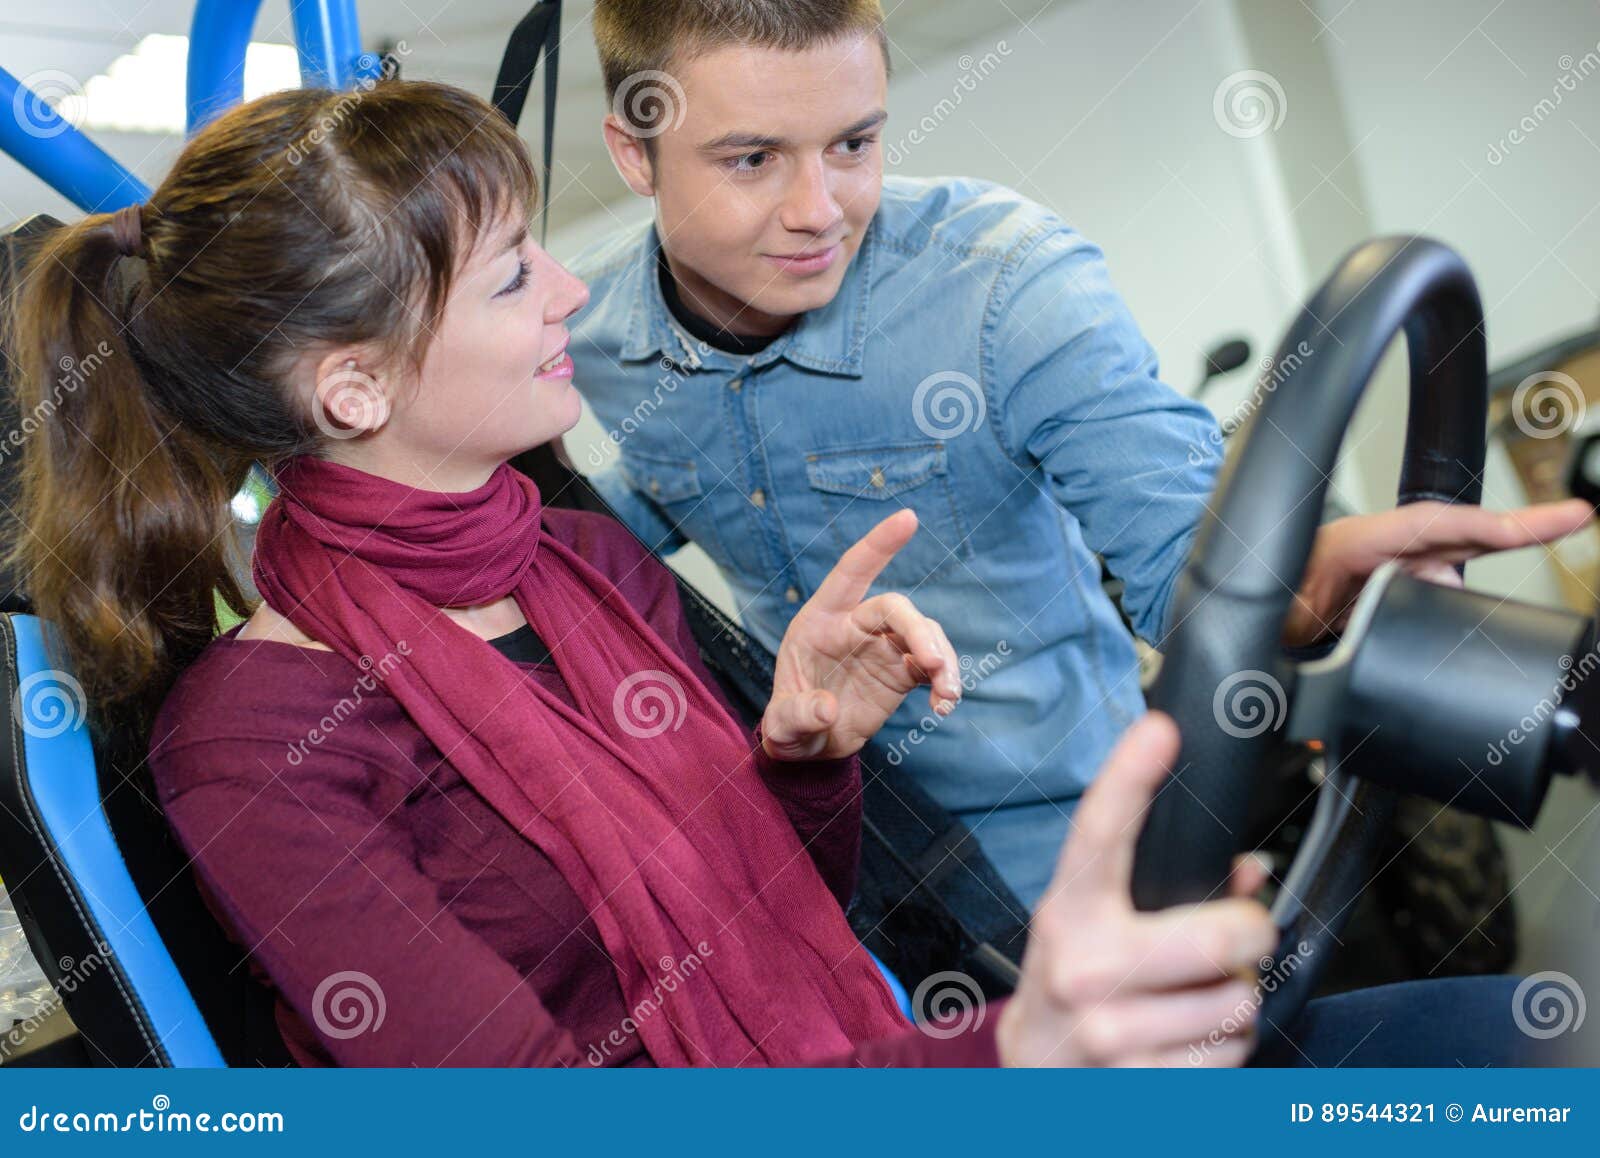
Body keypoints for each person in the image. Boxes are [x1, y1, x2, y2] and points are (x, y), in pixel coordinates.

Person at [3, 79, 1560, 1069]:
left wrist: (804, 752)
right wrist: (1025, 1056)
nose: (566, 288)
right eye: (511, 272)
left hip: (893, 1050)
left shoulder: (586, 560)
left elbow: (772, 912)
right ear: (351, 390)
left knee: (1501, 1038)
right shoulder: (254, 738)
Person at [565, 0, 1594, 908]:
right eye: (751, 159)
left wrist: (1309, 580)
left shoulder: (1004, 285)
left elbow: (1189, 567)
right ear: (632, 151)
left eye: (853, 143)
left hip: (1068, 842)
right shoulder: (594, 339)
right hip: (820, 857)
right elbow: (646, 491)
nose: (817, 210)